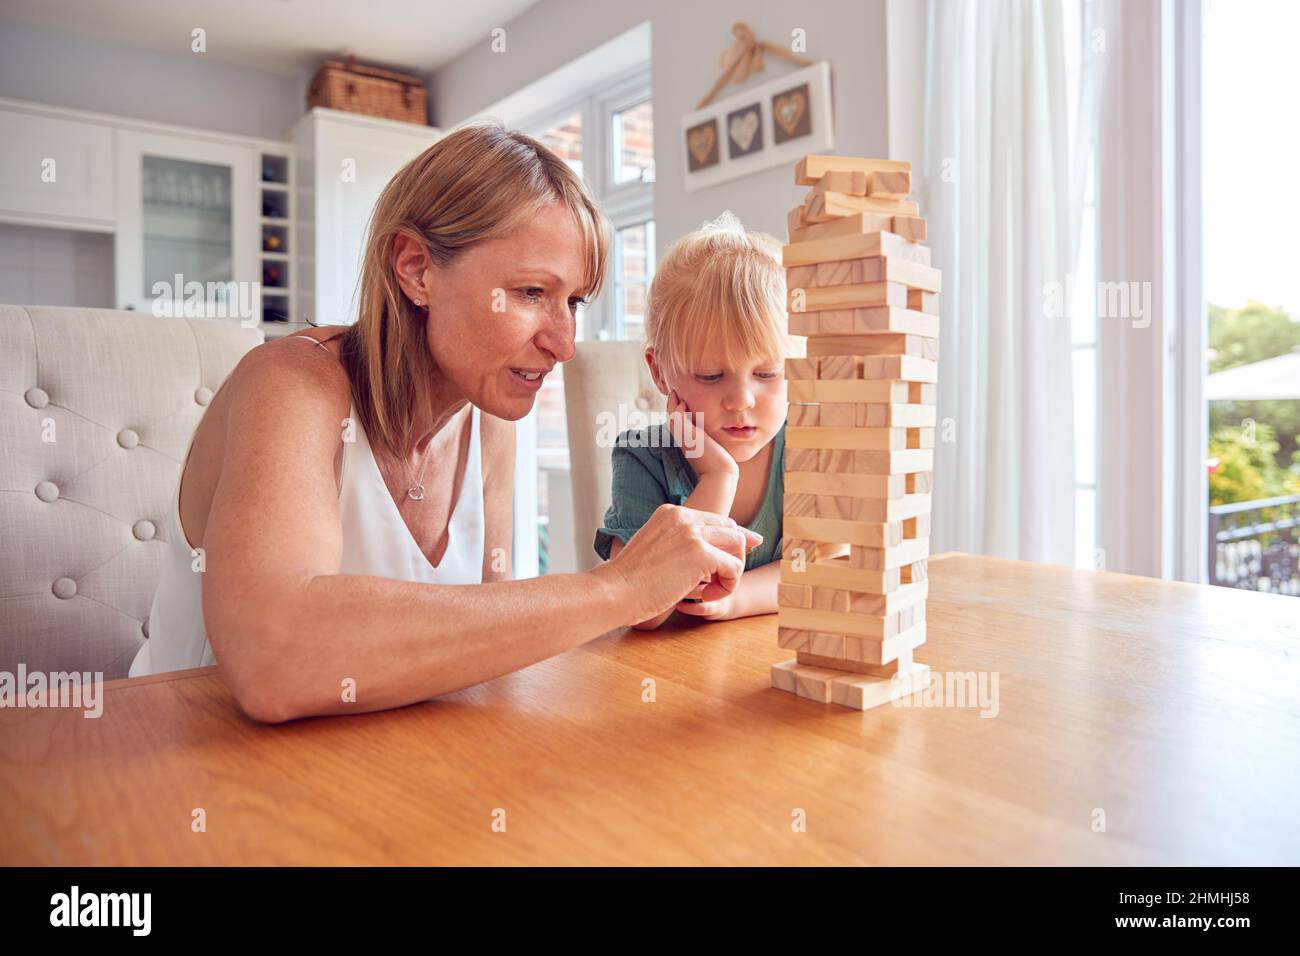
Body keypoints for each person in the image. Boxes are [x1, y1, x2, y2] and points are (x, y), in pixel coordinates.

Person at [128, 122, 760, 723]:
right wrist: (618, 587)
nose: (565, 344)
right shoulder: (289, 383)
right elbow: (274, 657)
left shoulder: (489, 421)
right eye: (531, 294)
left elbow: (482, 647)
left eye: (574, 302)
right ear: (416, 268)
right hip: (177, 770)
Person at [594, 211, 799, 629]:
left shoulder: (808, 449)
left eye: (767, 373)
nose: (741, 400)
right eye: (710, 375)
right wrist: (717, 477)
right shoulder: (642, 457)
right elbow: (644, 612)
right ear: (659, 371)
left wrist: (735, 599)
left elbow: (827, 572)